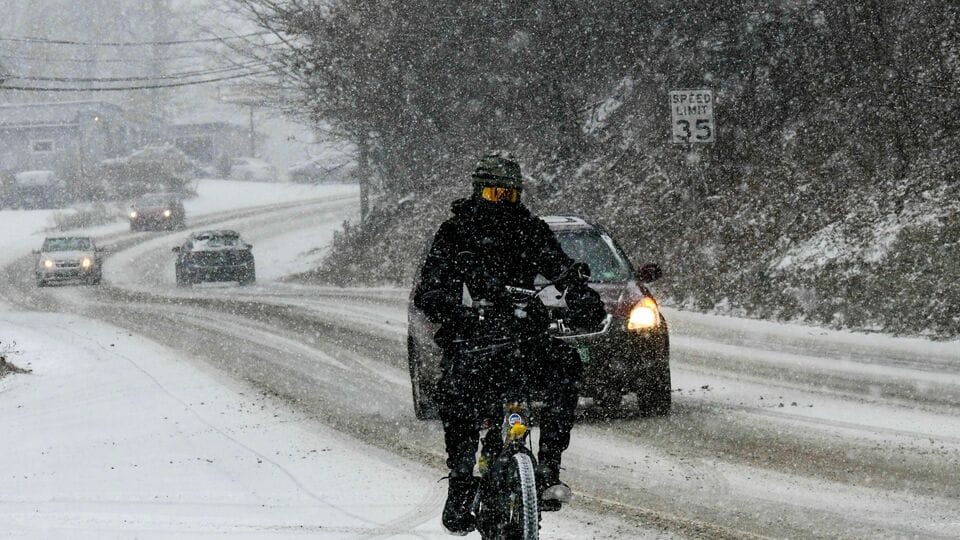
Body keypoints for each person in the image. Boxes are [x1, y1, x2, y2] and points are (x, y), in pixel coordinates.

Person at [413, 151, 605, 535]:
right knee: (458, 391)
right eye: (494, 194)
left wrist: (580, 294)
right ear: (479, 192)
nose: (502, 203)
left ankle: (548, 467)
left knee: (566, 365)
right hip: (475, 339)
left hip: (524, 335)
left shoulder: (530, 229)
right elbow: (429, 290)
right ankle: (461, 484)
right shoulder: (456, 232)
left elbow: (559, 267)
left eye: (510, 195)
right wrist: (460, 313)